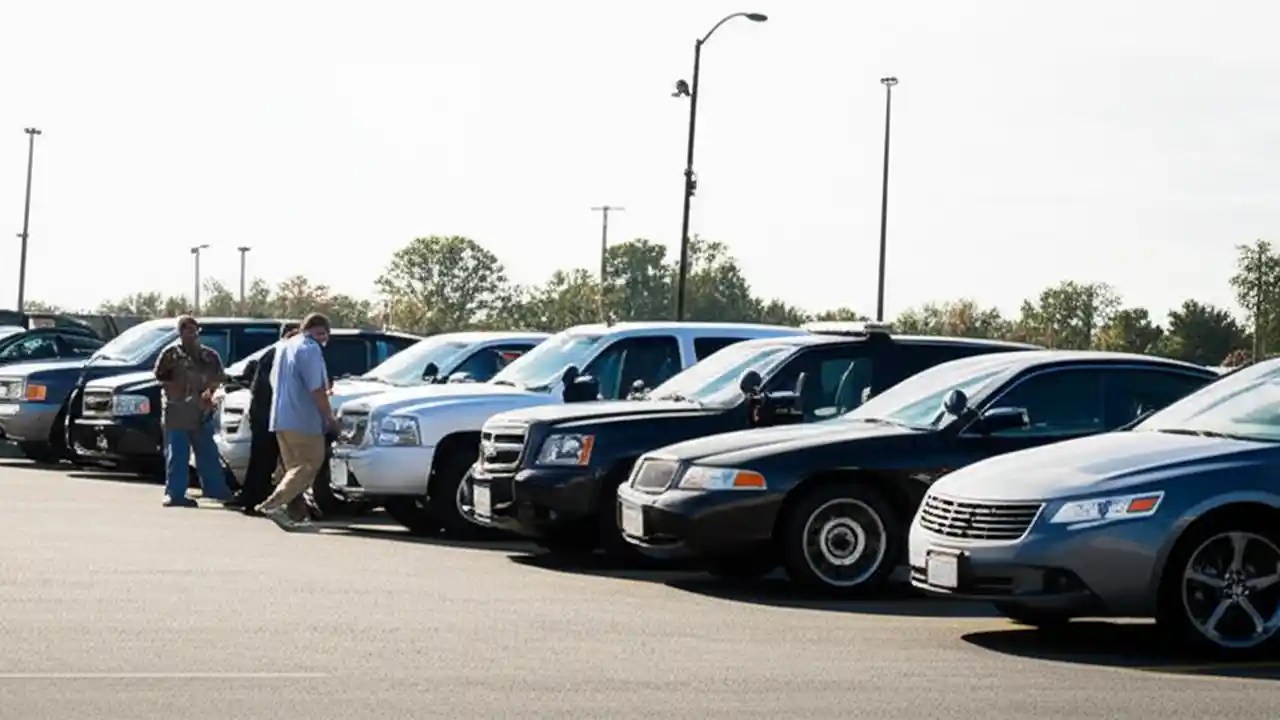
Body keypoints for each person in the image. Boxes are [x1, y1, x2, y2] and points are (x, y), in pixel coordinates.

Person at [254, 313, 337, 529]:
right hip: (303, 419)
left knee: (293, 470)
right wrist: (329, 417)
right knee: (309, 463)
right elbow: (317, 389)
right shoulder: (309, 349)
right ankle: (274, 505)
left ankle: (297, 515)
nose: (323, 339)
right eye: (322, 334)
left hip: (281, 418)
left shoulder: (284, 346)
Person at [153, 315, 232, 507]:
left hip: (201, 411)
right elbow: (160, 377)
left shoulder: (209, 356)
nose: (192, 334)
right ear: (180, 332)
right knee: (178, 455)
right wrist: (175, 391)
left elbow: (218, 377)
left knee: (208, 453)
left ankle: (216, 490)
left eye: (195, 330)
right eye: (187, 330)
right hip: (177, 411)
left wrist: (209, 393)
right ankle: (175, 493)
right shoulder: (170, 354)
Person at [225, 328, 297, 514]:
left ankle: (252, 498)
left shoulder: (273, 353)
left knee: (262, 461)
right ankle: (258, 500)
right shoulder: (283, 354)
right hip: (272, 415)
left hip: (263, 414)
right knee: (275, 462)